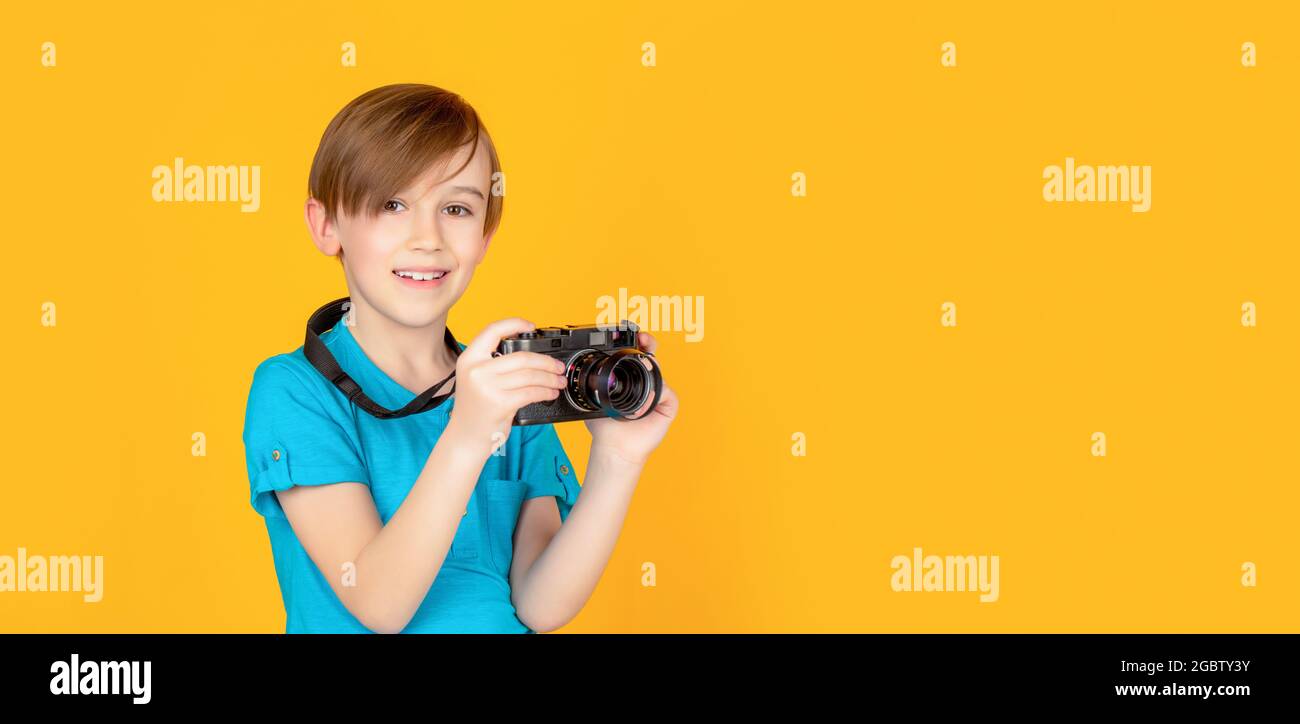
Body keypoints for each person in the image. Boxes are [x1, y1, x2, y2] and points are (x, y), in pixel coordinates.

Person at [241, 83, 679, 633]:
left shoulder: (507, 387)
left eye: (456, 208)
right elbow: (377, 602)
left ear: (485, 235)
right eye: (392, 204)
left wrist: (618, 461)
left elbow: (539, 605)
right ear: (327, 225)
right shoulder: (294, 390)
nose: (428, 238)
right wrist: (469, 434)